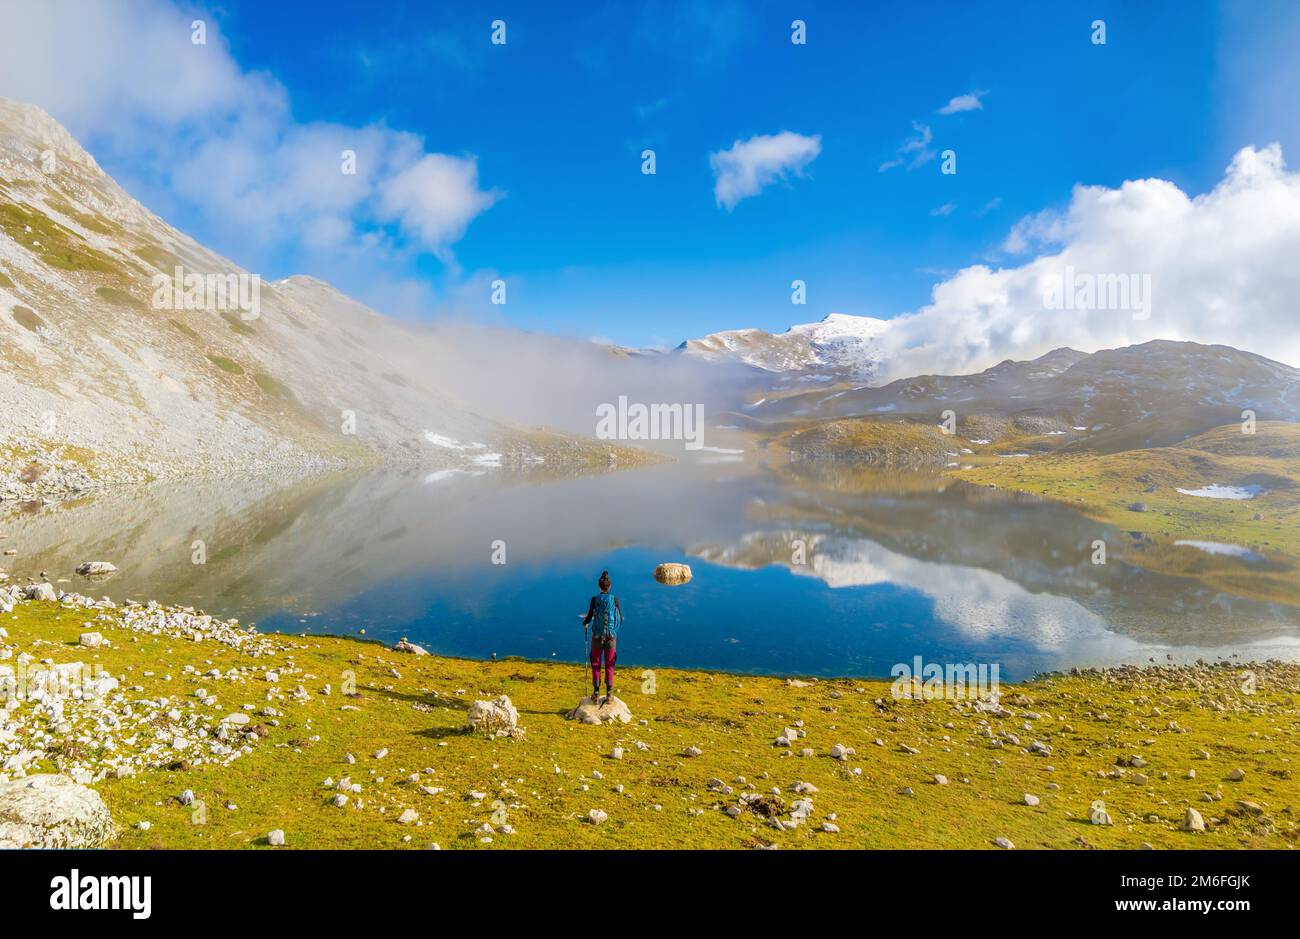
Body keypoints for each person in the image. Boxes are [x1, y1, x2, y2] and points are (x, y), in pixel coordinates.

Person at [582, 570, 624, 703]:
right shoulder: (615, 600)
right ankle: (610, 695)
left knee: (595, 663)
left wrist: (585, 624)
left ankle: (595, 694)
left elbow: (588, 617)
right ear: (610, 586)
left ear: (599, 586)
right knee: (610, 664)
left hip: (596, 636)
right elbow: (620, 619)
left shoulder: (595, 600)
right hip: (611, 637)